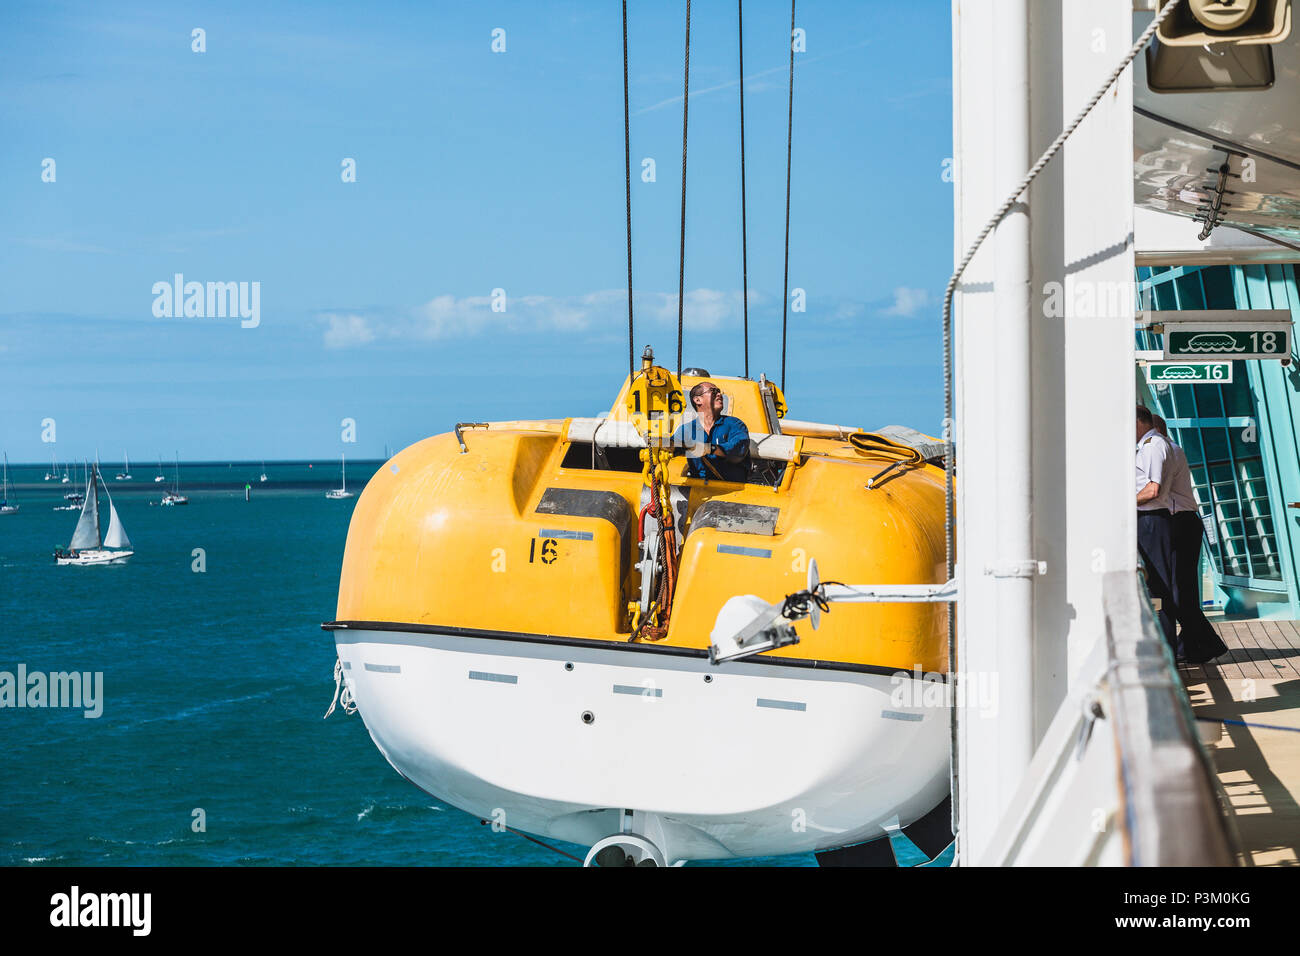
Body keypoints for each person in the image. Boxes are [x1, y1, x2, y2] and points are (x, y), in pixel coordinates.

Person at [1153, 415, 1228, 663]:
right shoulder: (1173, 449)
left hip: (1178, 522)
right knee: (1182, 589)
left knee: (1177, 590)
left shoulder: (1161, 451)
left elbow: (1155, 490)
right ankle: (1193, 645)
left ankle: (1206, 643)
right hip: (1184, 522)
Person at [1136, 405, 1180, 652]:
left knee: (1158, 586)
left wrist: (1124, 504)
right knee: (1154, 585)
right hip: (1149, 520)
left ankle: (1166, 650)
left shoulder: (1153, 445)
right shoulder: (1147, 445)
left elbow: (1153, 489)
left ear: (1137, 422)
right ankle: (1164, 647)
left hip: (1152, 519)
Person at [672, 381, 750, 482]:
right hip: (699, 490)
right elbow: (671, 446)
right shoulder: (687, 429)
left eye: (719, 391)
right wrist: (658, 441)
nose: (719, 394)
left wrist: (708, 448)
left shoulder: (734, 424)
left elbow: (739, 449)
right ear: (698, 400)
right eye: (713, 391)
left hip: (732, 490)